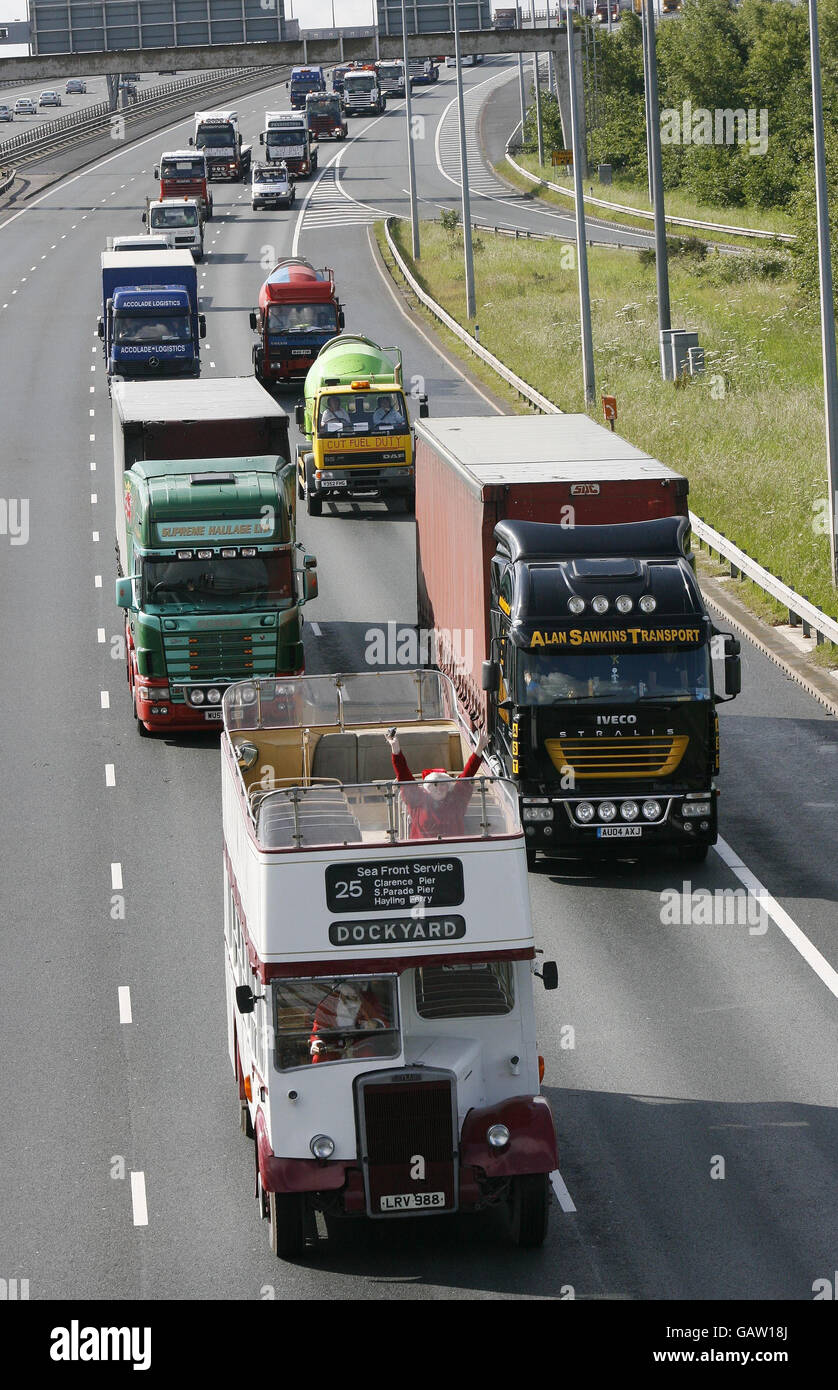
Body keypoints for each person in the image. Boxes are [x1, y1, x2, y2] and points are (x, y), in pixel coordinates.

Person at [385, 727, 489, 841]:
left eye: (443, 784)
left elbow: (467, 774)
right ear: (427, 788)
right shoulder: (418, 801)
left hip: (455, 849)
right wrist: (395, 749)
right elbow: (404, 775)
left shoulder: (456, 799)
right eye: (434, 784)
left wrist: (479, 748)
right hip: (423, 851)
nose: (439, 788)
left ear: (448, 787)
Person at [309, 979, 389, 1063]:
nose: (351, 1001)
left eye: (354, 997)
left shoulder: (367, 1002)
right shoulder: (328, 1004)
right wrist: (317, 1042)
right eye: (347, 997)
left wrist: (376, 1024)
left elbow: (384, 1021)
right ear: (340, 993)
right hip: (333, 1051)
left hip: (360, 1048)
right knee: (319, 1060)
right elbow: (317, 1029)